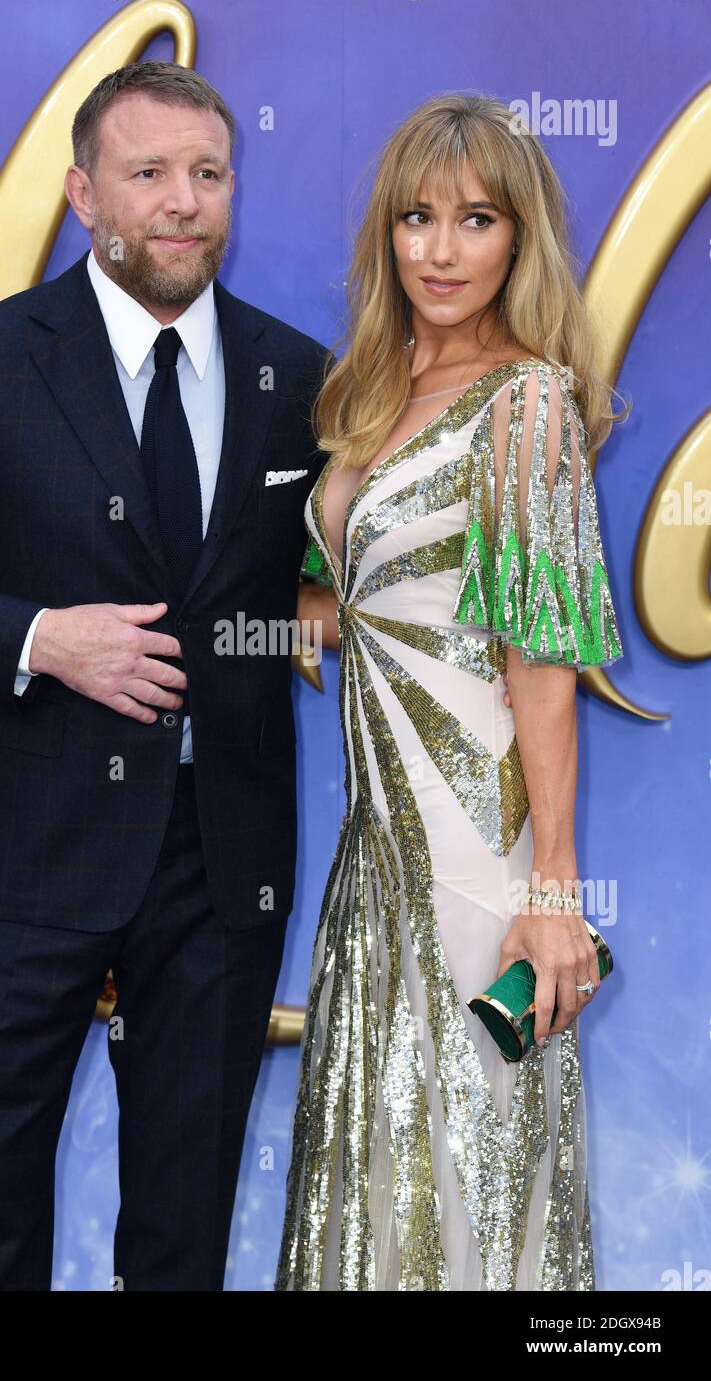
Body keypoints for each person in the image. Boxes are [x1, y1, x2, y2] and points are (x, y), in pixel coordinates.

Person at [0, 61, 329, 1291]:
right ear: (82, 194)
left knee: (181, 1228)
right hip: (31, 848)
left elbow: (315, 571)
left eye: (207, 173)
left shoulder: (297, 377)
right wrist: (39, 639)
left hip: (222, 859)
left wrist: (315, 602)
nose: (182, 201)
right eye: (147, 172)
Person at [278, 93, 625, 1291]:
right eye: (415, 217)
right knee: (378, 1173)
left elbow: (541, 663)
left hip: (478, 856)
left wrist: (553, 891)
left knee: (466, 1165)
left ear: (518, 239)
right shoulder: (368, 393)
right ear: (384, 231)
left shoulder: (525, 401)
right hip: (376, 851)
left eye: (475, 219)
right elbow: (371, 582)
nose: (439, 249)